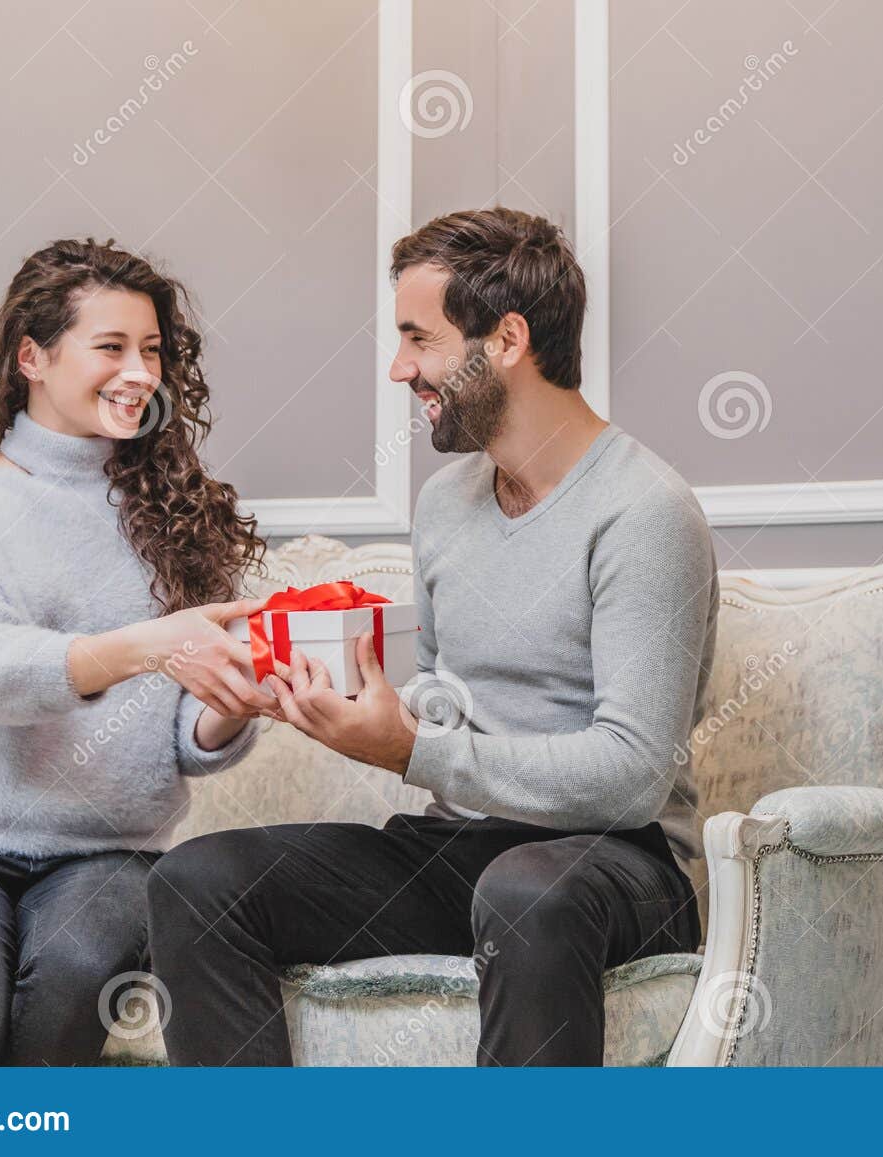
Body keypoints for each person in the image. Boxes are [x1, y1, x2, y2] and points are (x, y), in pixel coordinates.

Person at [149, 207, 719, 1067]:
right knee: (198, 883)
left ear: (506, 340)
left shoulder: (644, 511)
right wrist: (327, 694)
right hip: (461, 849)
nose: (399, 368)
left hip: (613, 865)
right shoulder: (446, 503)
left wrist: (411, 749)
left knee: (527, 892)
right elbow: (453, 698)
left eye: (419, 339)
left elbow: (634, 776)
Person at [0, 238, 275, 1066]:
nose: (139, 371)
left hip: (110, 852)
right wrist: (149, 645)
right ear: (31, 356)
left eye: (152, 350)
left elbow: (185, 736)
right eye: (111, 347)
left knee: (70, 989)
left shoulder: (179, 518)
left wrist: (231, 703)